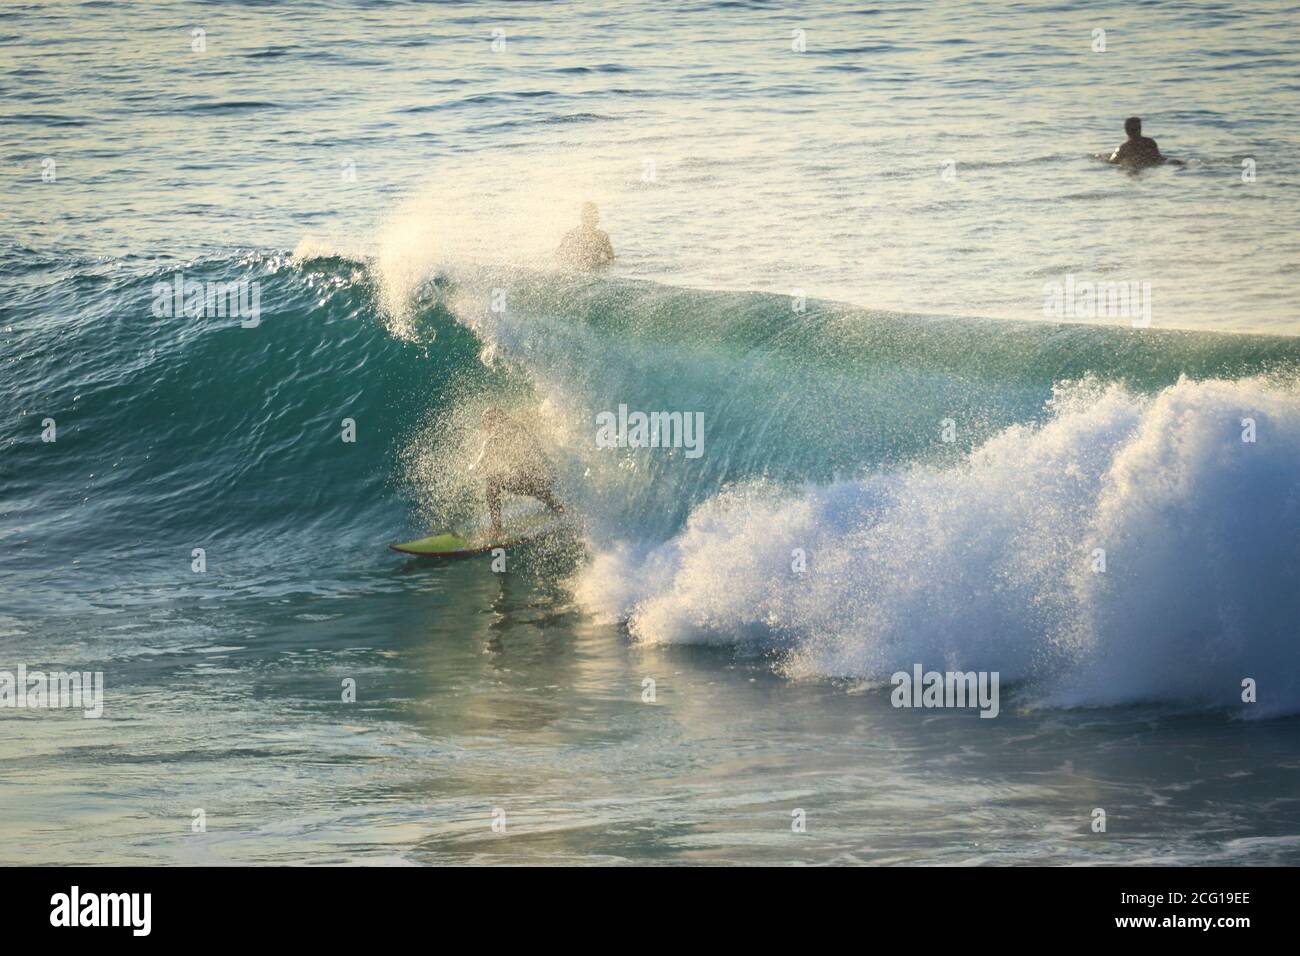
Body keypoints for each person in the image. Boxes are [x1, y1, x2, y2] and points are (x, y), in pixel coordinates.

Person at [469, 407, 564, 540]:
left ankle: (497, 529)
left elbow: (477, 469)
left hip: (533, 478)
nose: (485, 426)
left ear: (492, 421)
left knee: (492, 481)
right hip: (547, 475)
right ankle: (559, 508)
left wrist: (470, 469)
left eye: (485, 422)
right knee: (525, 475)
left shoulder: (493, 440)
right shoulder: (518, 427)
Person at [556, 201, 615, 270]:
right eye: (590, 216)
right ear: (583, 218)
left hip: (595, 271)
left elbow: (611, 258)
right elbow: (559, 257)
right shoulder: (572, 236)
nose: (594, 218)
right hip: (577, 271)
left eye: (595, 214)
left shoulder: (602, 236)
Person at [1107, 117, 1177, 168]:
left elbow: (1113, 162)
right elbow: (1158, 158)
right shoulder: (1150, 142)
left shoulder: (1124, 148)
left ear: (1126, 130)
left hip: (1140, 165)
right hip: (1161, 163)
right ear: (1140, 129)